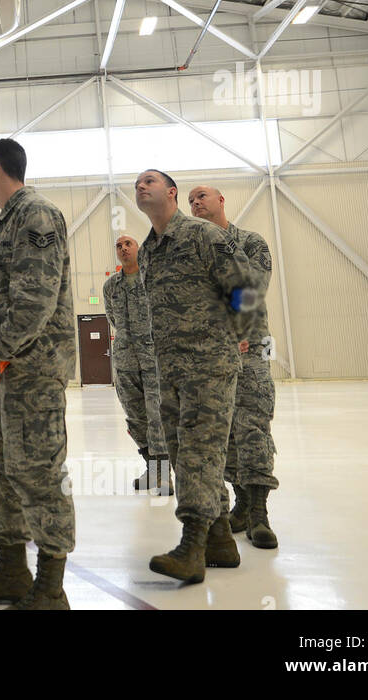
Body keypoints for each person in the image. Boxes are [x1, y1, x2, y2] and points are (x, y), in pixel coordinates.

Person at [0, 139, 76, 609]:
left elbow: (34, 300)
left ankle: (50, 586)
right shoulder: (10, 222)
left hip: (31, 371)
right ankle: (11, 569)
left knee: (40, 473)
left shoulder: (36, 216)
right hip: (4, 374)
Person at [134, 171, 259, 584]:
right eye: (136, 182)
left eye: (149, 180)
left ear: (171, 192)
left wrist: (233, 337)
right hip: (169, 369)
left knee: (199, 454)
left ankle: (192, 546)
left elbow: (247, 290)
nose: (140, 185)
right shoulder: (149, 249)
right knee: (183, 451)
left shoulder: (203, 235)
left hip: (208, 366)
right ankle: (221, 540)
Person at [188, 185, 278, 549]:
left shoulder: (250, 243)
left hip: (250, 349)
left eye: (202, 197)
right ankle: (240, 502)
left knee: (253, 425)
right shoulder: (191, 250)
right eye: (190, 200)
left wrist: (233, 328)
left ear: (221, 201)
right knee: (222, 433)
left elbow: (253, 289)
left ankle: (260, 514)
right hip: (210, 354)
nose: (195, 203)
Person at [102, 235, 171, 495]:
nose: (123, 249)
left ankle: (165, 475)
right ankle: (152, 468)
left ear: (138, 249)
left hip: (154, 358)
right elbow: (112, 318)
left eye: (128, 244)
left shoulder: (152, 279)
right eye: (118, 246)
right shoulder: (111, 286)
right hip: (125, 361)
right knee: (135, 417)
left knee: (157, 417)